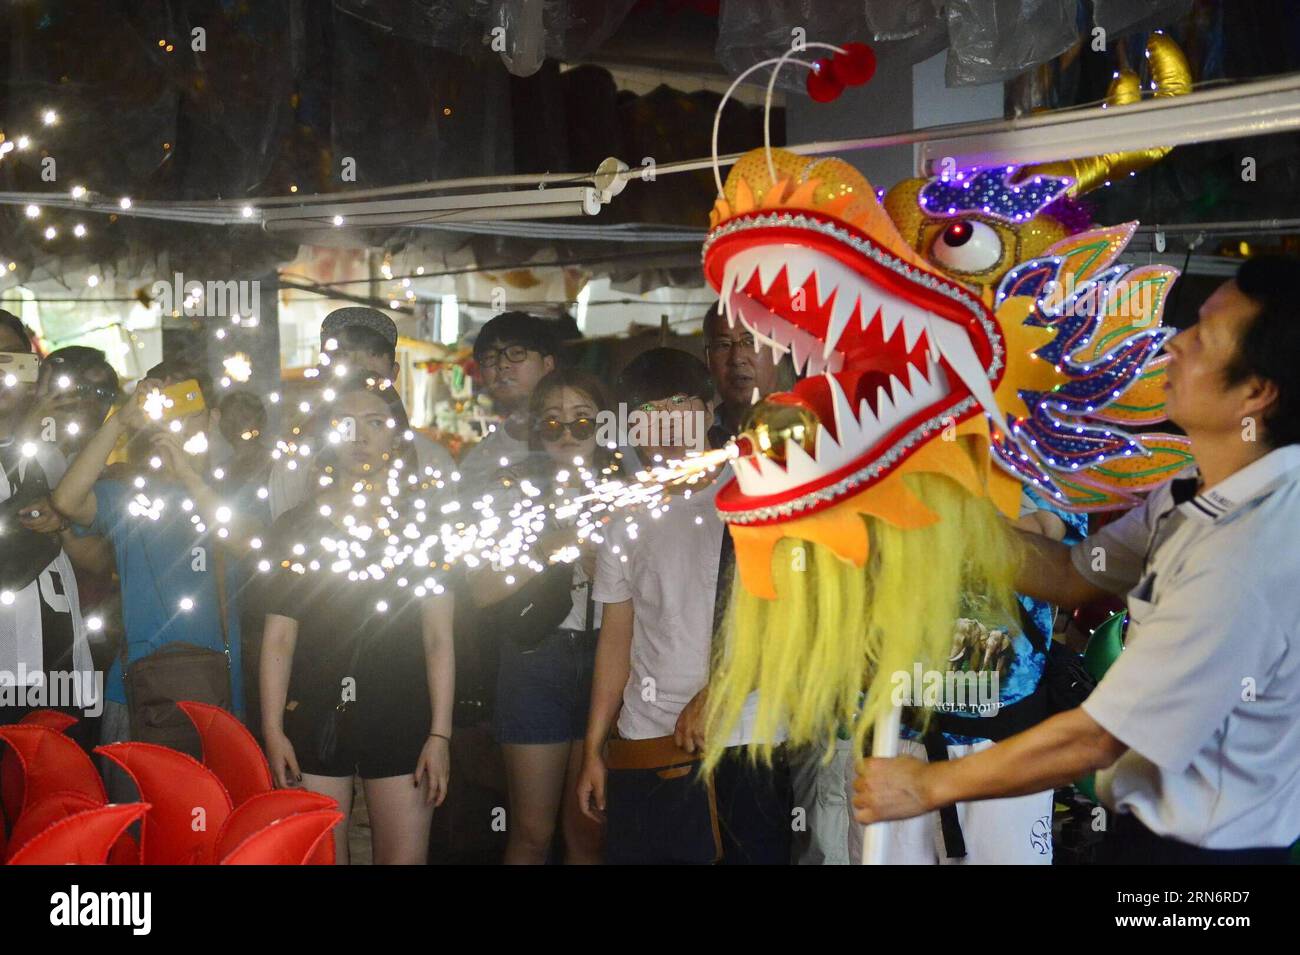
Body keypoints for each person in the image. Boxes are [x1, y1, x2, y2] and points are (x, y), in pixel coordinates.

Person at [852, 255, 1300, 864]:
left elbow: (1099, 737)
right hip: (1143, 835)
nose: (1174, 345)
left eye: (1201, 337)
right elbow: (1070, 574)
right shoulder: (1187, 496)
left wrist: (926, 786)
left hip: (1216, 861)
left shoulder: (1251, 549)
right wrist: (944, 502)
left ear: (1255, 391)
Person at [577, 348, 792, 864]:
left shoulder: (754, 490)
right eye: (650, 416)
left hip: (745, 734)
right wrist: (593, 747)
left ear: (709, 408)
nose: (667, 429)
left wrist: (720, 692)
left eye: (680, 409)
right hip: (647, 738)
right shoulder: (627, 513)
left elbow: (786, 618)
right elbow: (617, 636)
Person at [259, 371, 454, 865]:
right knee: (321, 858)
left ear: (396, 433)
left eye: (374, 422)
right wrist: (273, 728)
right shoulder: (296, 526)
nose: (360, 437)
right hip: (318, 711)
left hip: (401, 711)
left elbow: (437, 636)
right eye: (345, 424)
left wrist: (440, 733)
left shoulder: (423, 526)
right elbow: (279, 637)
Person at [845, 485, 1087, 864]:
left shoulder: (1027, 448)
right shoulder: (872, 441)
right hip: (890, 737)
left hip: (1001, 747)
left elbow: (1047, 532)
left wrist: (948, 522)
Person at [51, 359, 245, 799]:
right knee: (138, 833)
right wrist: (119, 419)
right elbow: (67, 498)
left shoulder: (235, 493)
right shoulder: (128, 493)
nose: (176, 420)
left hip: (217, 691)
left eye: (188, 403)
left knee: (209, 833)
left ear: (212, 416)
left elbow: (244, 542)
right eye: (166, 406)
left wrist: (190, 474)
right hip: (134, 689)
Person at [468, 369, 615, 864]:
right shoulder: (512, 491)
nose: (568, 435)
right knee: (531, 831)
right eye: (552, 424)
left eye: (582, 422)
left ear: (605, 424)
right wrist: (551, 548)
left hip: (606, 657)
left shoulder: (627, 489)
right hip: (536, 657)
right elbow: (482, 591)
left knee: (587, 830)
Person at [0, 312, 97, 739]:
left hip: (62, 662)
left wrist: (60, 519)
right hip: (9, 668)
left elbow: (89, 548)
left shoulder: (50, 455)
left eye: (13, 361)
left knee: (68, 796)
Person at [268, 307, 455, 521]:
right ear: (322, 372)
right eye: (342, 355)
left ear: (394, 373)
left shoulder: (431, 460)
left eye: (372, 354)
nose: (357, 366)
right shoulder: (295, 465)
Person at [458, 311, 559, 486]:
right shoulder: (479, 461)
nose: (502, 364)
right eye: (490, 357)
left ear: (547, 364)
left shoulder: (581, 435)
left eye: (517, 353)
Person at [702, 302, 782, 443]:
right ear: (708, 359)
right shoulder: (699, 437)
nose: (737, 358)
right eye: (723, 345)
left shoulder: (808, 427)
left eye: (751, 342)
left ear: (778, 351)